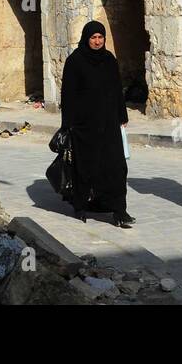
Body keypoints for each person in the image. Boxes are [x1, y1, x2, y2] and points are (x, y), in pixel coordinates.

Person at [58, 21, 134, 228]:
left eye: (100, 37)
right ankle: (81, 206)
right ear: (86, 38)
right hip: (84, 126)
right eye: (94, 38)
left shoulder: (109, 59)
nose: (98, 41)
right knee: (86, 167)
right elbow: (68, 95)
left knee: (116, 167)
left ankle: (119, 210)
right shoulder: (75, 61)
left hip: (109, 123)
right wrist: (68, 124)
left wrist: (122, 115)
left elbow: (117, 89)